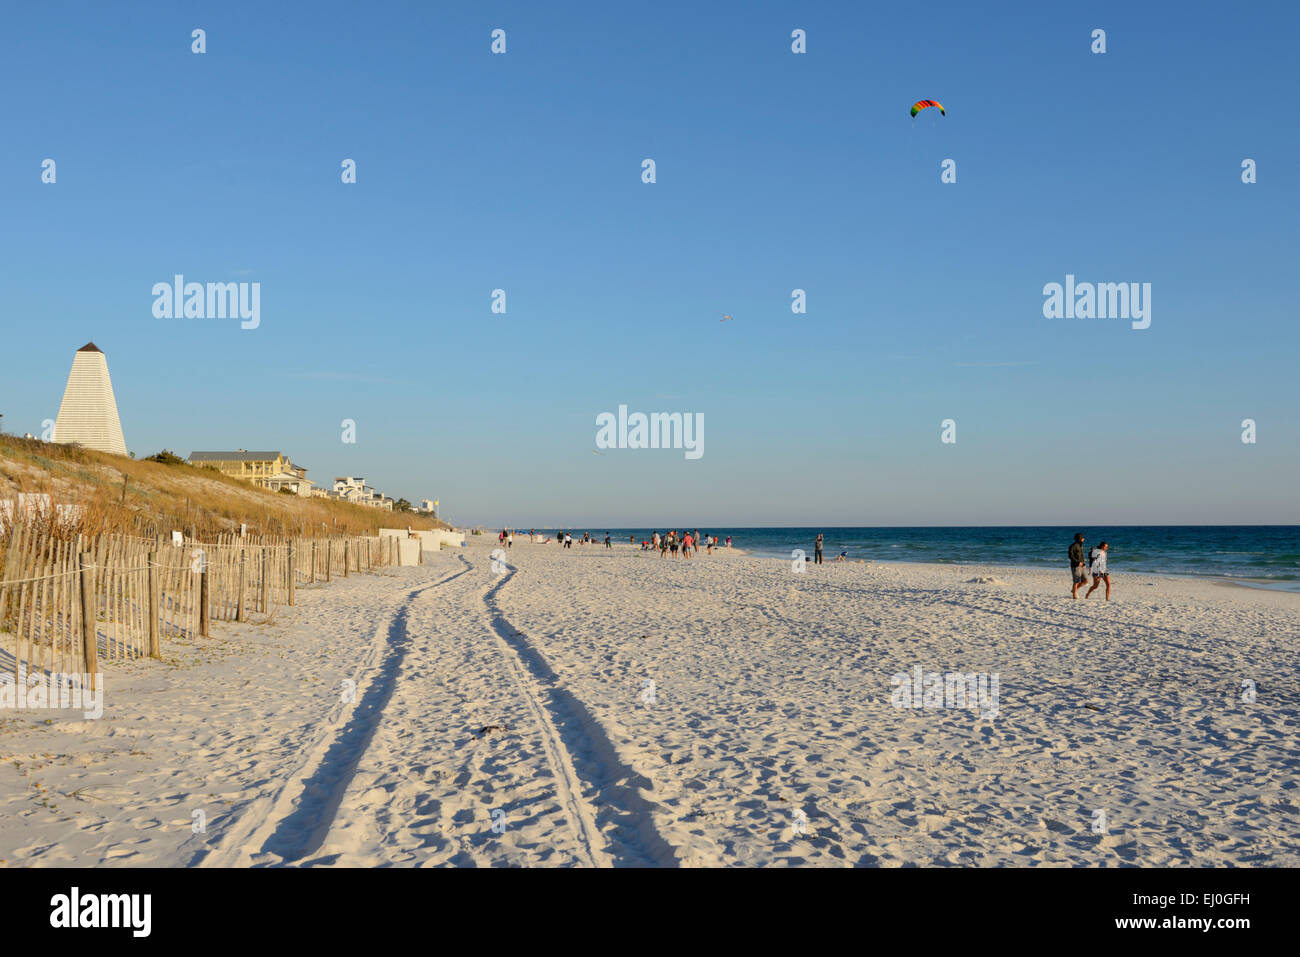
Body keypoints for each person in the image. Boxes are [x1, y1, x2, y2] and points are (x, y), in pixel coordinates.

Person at [1069, 533, 1088, 599]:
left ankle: (1074, 590)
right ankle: (1074, 595)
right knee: (1076, 581)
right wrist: (1077, 563)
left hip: (1082, 565)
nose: (1084, 539)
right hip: (1075, 566)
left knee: (1086, 580)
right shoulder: (1073, 546)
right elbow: (1070, 556)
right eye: (1083, 538)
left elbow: (1081, 556)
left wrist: (1084, 564)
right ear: (1080, 538)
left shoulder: (1080, 546)